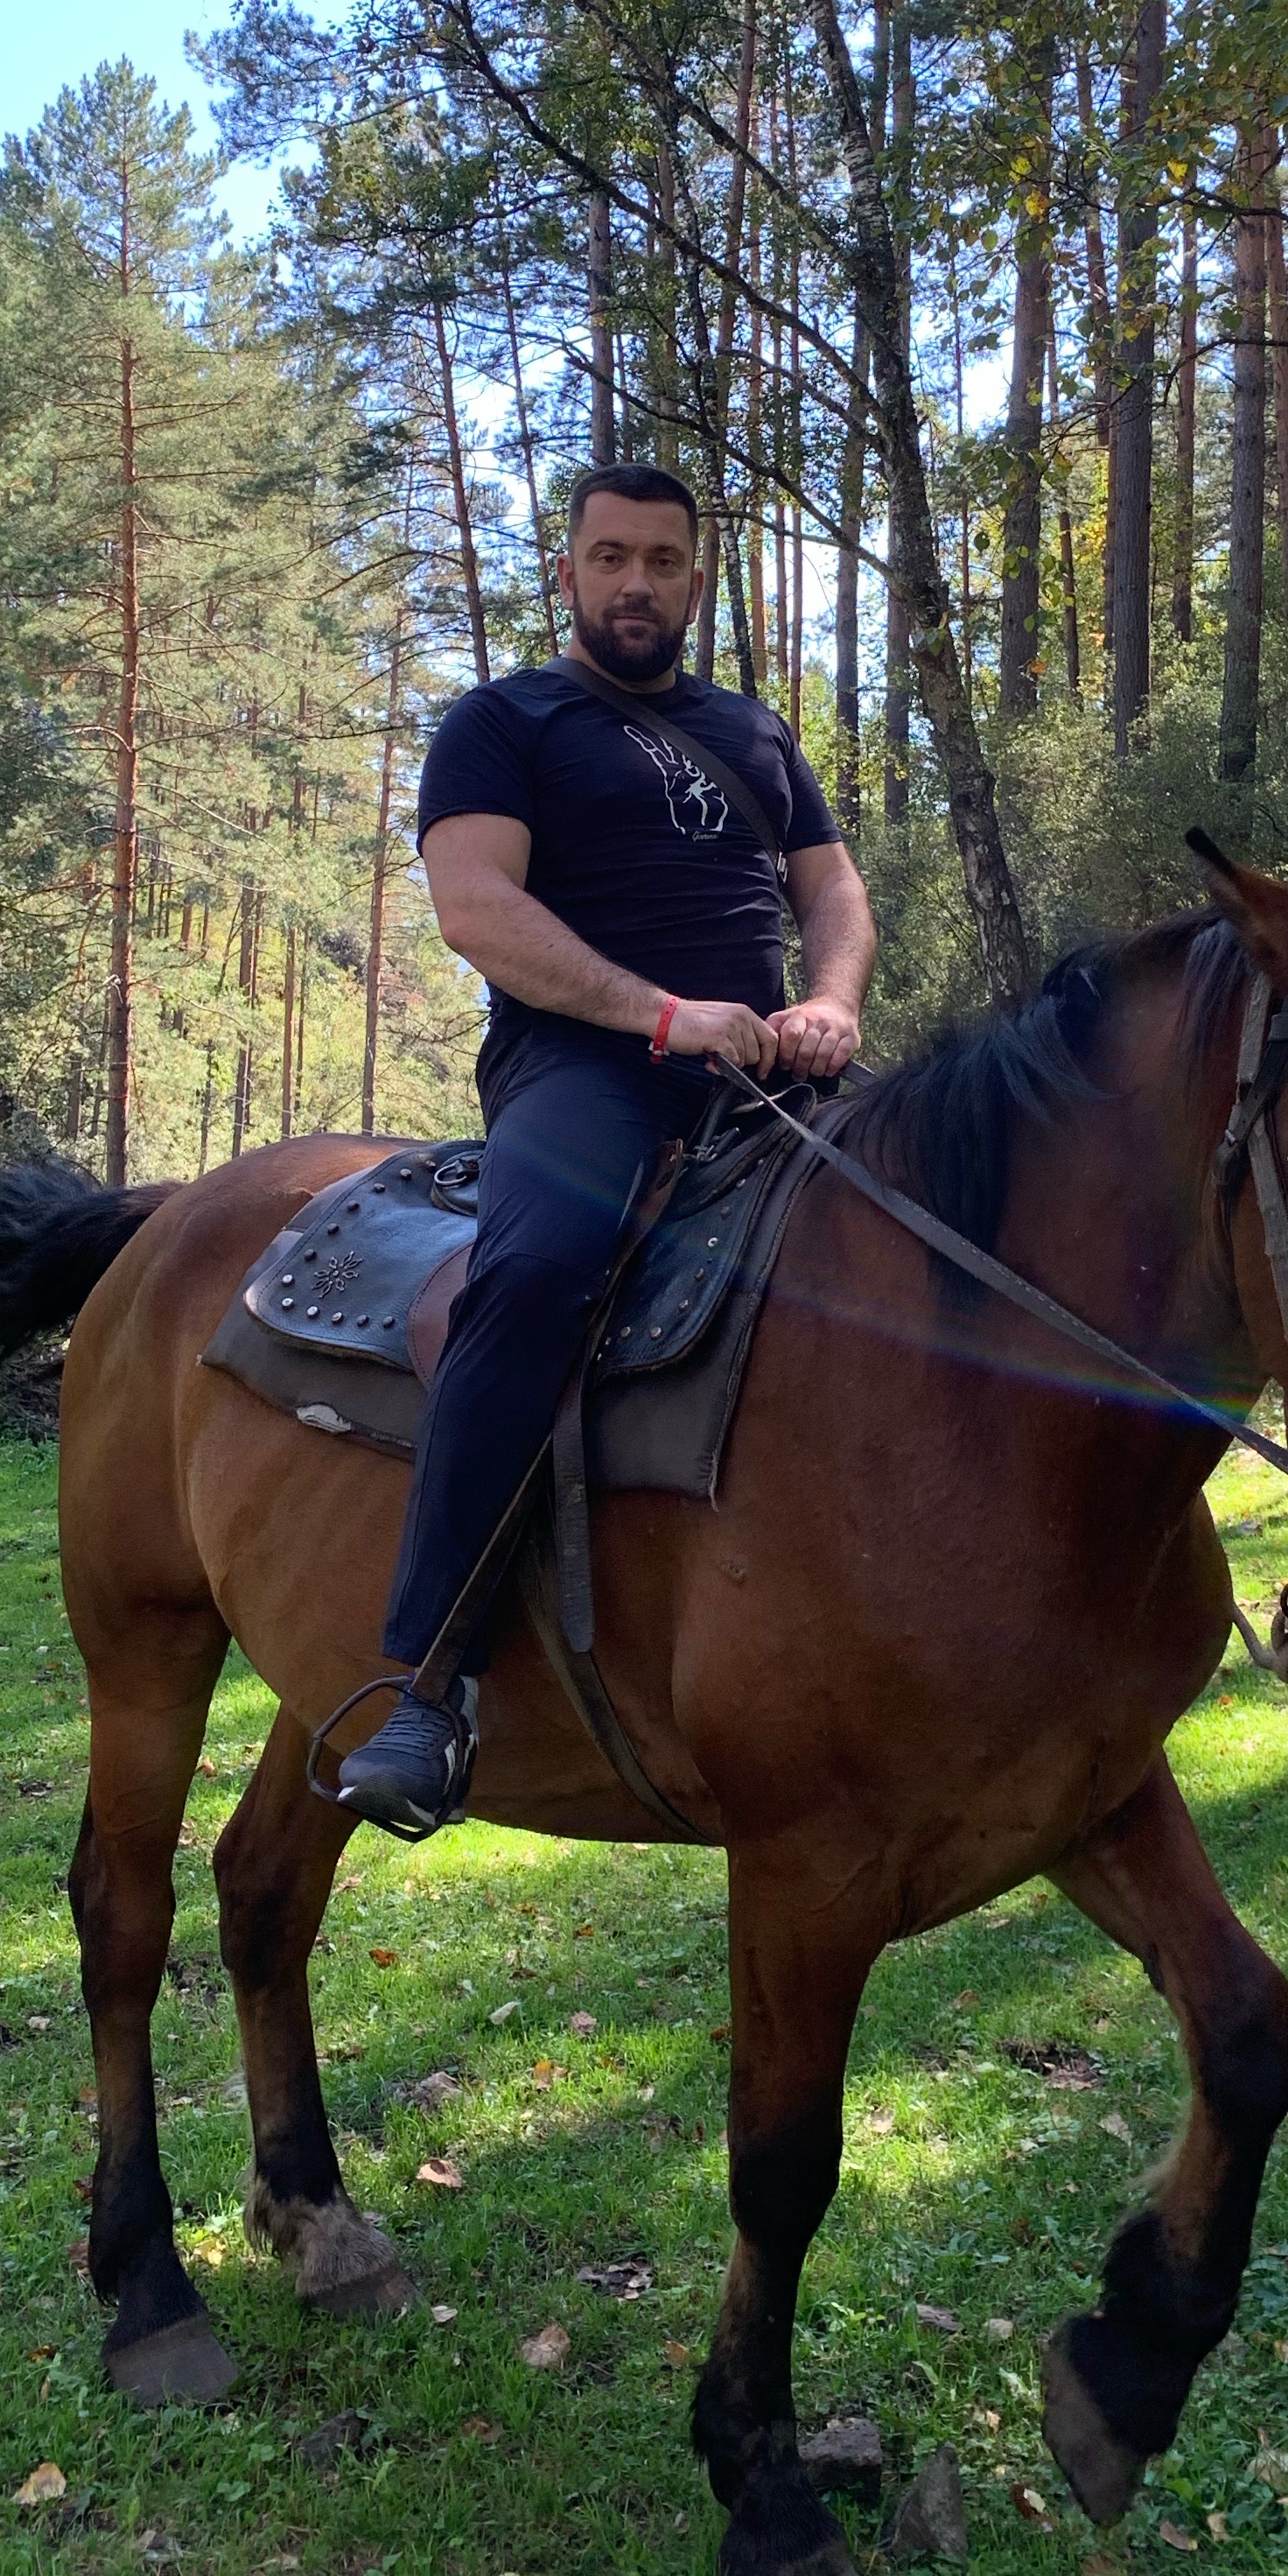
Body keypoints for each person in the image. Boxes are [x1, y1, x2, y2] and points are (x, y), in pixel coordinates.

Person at [334, 461, 876, 1832]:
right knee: (534, 1274)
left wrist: (831, 1003)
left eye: (665, 561)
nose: (639, 582)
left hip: (769, 1073)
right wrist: (658, 1015)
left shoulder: (757, 734)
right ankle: (434, 1684)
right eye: (613, 557)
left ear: (697, 580)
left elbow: (835, 894)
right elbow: (475, 910)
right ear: (567, 574)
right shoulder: (503, 724)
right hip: (584, 1067)